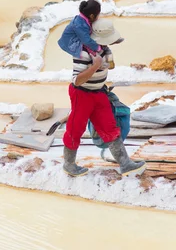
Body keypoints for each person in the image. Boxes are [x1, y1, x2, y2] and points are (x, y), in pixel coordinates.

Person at [63, 19, 146, 177]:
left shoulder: (102, 48)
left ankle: (125, 164)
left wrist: (104, 62)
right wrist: (95, 66)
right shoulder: (82, 53)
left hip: (99, 93)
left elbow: (111, 64)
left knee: (110, 127)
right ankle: (69, 164)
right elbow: (77, 80)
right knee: (76, 128)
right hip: (82, 94)